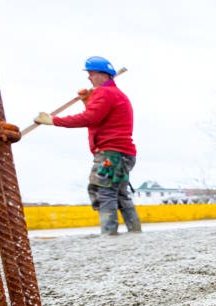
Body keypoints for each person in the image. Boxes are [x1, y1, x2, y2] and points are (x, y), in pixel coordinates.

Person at [34, 56, 141, 235]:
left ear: (102, 75)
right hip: (123, 154)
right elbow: (99, 114)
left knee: (103, 191)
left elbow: (90, 118)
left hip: (111, 154)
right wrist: (87, 101)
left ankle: (108, 235)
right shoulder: (114, 94)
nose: (89, 78)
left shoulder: (104, 93)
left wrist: (54, 120)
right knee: (120, 195)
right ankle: (135, 232)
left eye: (91, 74)